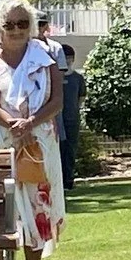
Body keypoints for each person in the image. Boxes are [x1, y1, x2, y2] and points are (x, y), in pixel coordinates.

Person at [0, 0, 66, 260]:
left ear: (32, 26)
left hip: (38, 140)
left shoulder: (45, 56)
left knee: (38, 206)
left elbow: (57, 101)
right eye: (9, 24)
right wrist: (13, 123)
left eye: (22, 23)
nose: (15, 30)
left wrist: (29, 124)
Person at [56, 45, 87, 191]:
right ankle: (59, 180)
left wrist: (76, 110)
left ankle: (69, 180)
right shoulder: (55, 77)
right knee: (59, 150)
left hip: (72, 119)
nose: (67, 60)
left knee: (71, 150)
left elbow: (82, 96)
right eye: (64, 57)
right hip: (57, 119)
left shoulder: (78, 78)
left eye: (69, 57)